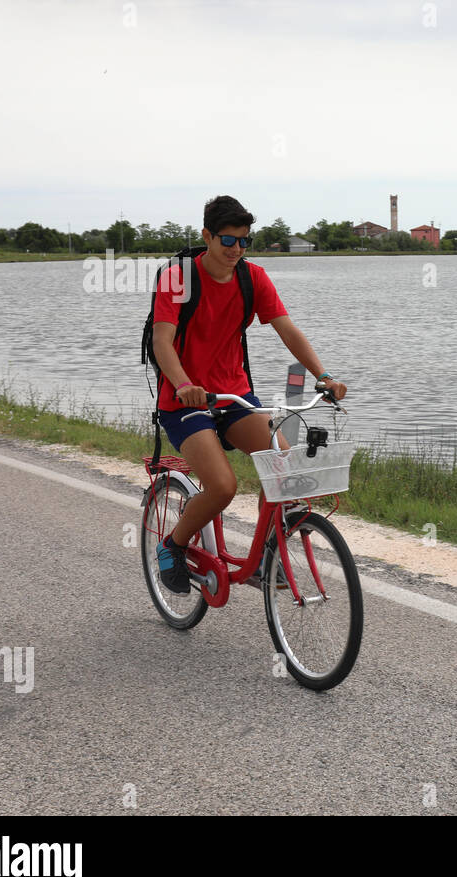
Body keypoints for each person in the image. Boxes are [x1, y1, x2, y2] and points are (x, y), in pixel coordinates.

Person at [153, 195, 346, 593]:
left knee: (283, 466)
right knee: (222, 487)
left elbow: (287, 329)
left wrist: (323, 376)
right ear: (206, 236)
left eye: (244, 241)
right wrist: (184, 383)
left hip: (235, 397)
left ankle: (262, 559)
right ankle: (172, 545)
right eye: (228, 240)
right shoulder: (177, 278)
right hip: (186, 401)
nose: (236, 249)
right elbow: (162, 341)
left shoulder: (251, 277)